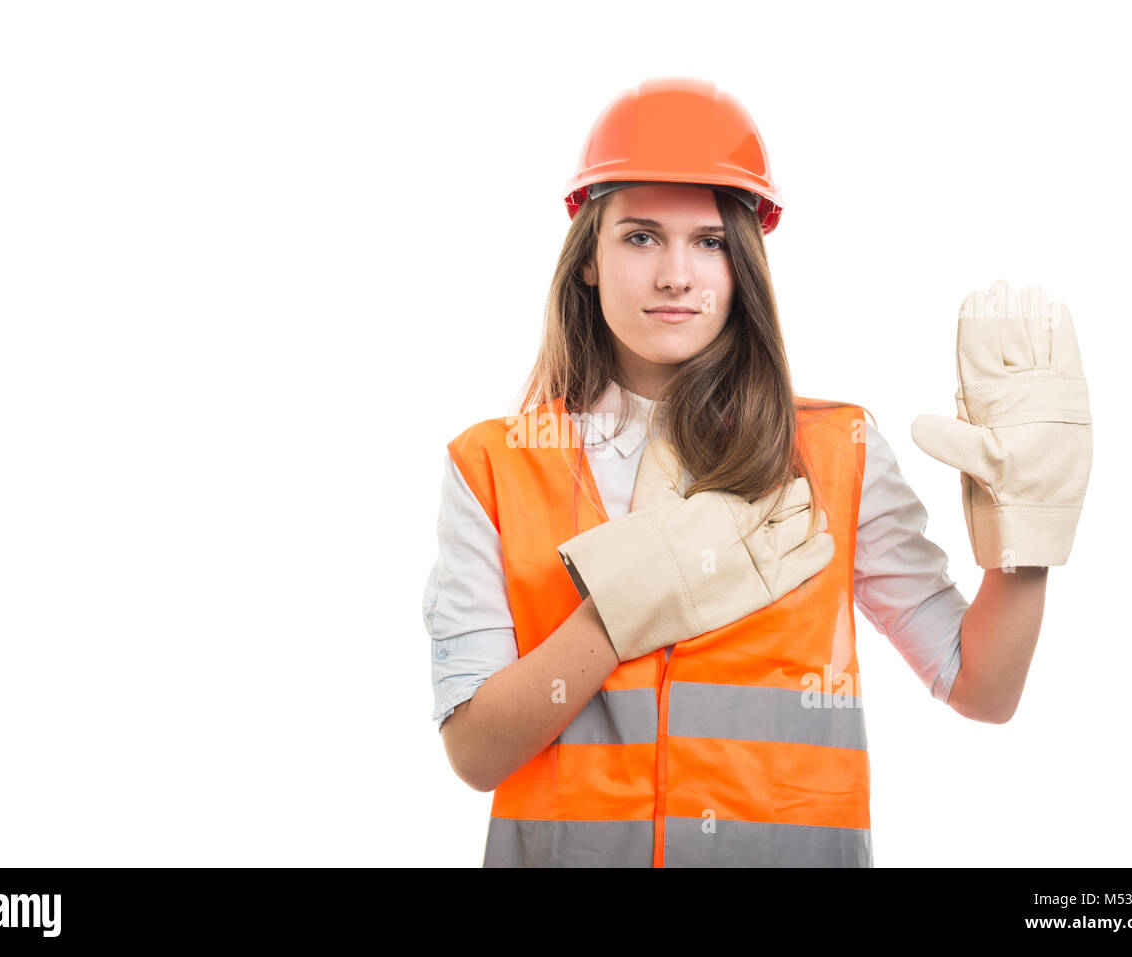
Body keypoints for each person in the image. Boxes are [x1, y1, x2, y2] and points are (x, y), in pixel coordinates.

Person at [423, 77, 1092, 867]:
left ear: (743, 261)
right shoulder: (494, 463)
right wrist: (621, 609)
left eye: (708, 241)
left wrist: (1027, 542)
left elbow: (982, 689)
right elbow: (476, 754)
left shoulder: (839, 455)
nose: (677, 275)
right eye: (641, 236)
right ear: (590, 259)